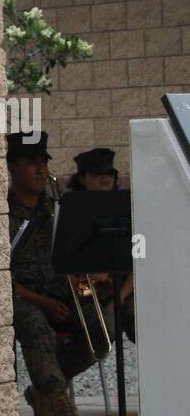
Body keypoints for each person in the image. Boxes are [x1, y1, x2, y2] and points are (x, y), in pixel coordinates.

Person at [6, 131, 109, 416]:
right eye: (31, 163)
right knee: (35, 323)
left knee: (100, 328)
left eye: (43, 162)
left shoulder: (56, 209)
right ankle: (61, 411)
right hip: (20, 298)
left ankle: (45, 392)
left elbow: (70, 253)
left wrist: (83, 277)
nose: (40, 170)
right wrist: (44, 303)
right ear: (12, 168)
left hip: (57, 292)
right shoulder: (0, 212)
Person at [66, 147, 136, 343]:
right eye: (97, 173)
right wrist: (89, 282)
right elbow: (65, 270)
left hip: (123, 290)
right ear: (82, 179)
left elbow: (140, 259)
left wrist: (118, 298)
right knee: (104, 330)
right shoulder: (70, 215)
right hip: (85, 295)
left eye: (109, 173)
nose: (105, 178)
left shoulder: (127, 210)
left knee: (147, 320)